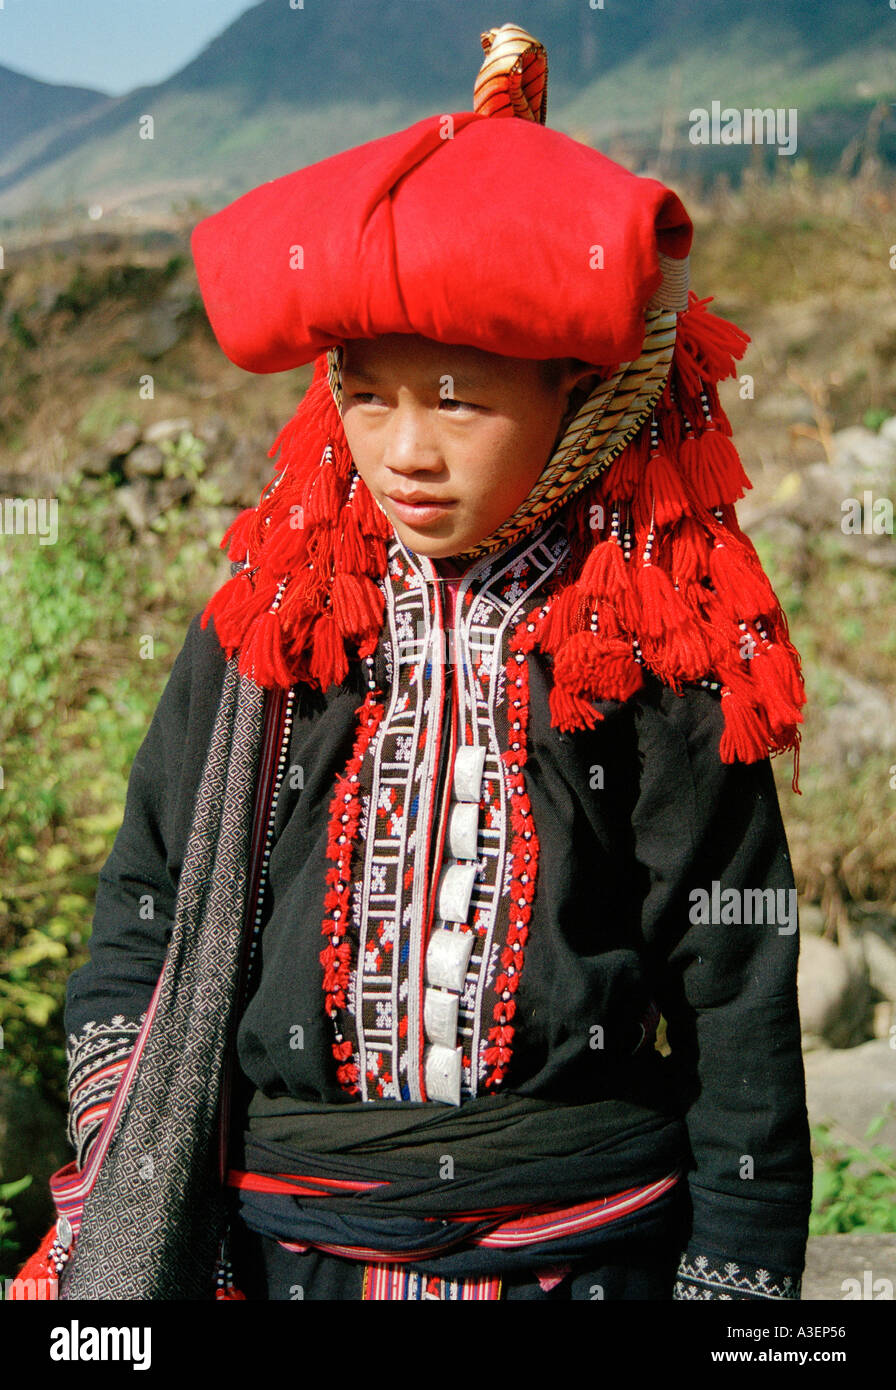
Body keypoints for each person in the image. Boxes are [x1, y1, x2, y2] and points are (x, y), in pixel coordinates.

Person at [22, 23, 812, 1301]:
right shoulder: (274, 632)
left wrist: (737, 1276)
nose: (403, 452)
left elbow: (734, 988)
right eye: (368, 393)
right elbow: (144, 908)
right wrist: (133, 1136)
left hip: (581, 1250)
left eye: (457, 397)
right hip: (291, 1248)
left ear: (575, 393)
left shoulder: (644, 651)